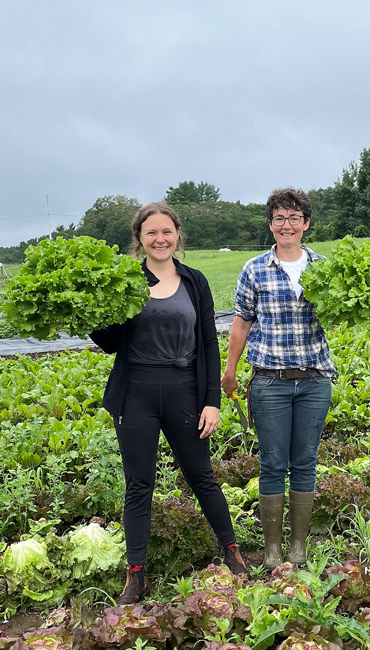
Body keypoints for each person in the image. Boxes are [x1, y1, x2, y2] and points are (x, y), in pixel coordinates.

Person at [91, 202, 247, 604]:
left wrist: (211, 401)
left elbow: (208, 344)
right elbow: (110, 343)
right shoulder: (125, 281)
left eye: (166, 232)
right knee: (139, 484)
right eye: (151, 233)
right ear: (139, 238)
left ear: (177, 235)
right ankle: (136, 576)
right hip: (136, 393)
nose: (160, 239)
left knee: (201, 475)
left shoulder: (194, 281)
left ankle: (231, 551)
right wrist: (89, 313)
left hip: (185, 391)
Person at [221, 187, 336, 568]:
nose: (287, 225)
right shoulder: (254, 268)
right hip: (270, 381)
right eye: (279, 218)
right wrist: (230, 371)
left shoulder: (323, 267)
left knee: (304, 461)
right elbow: (242, 322)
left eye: (294, 218)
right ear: (271, 224)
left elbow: (340, 313)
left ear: (306, 223)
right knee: (272, 463)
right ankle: (272, 550)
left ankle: (298, 547)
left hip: (314, 380)